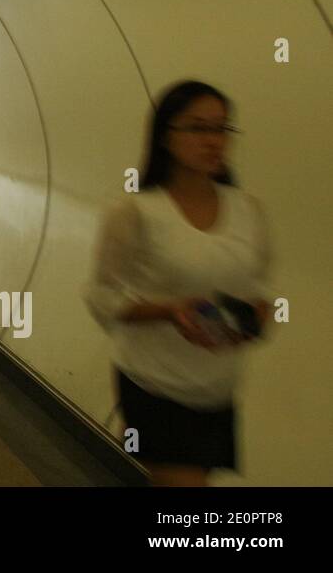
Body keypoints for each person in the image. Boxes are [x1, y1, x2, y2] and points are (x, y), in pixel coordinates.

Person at [85, 80, 274, 486]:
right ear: (166, 136)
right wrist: (169, 311)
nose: (213, 141)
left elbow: (258, 291)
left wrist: (254, 319)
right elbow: (101, 297)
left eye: (222, 129)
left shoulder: (248, 210)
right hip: (155, 385)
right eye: (198, 128)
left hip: (217, 390)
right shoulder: (135, 211)